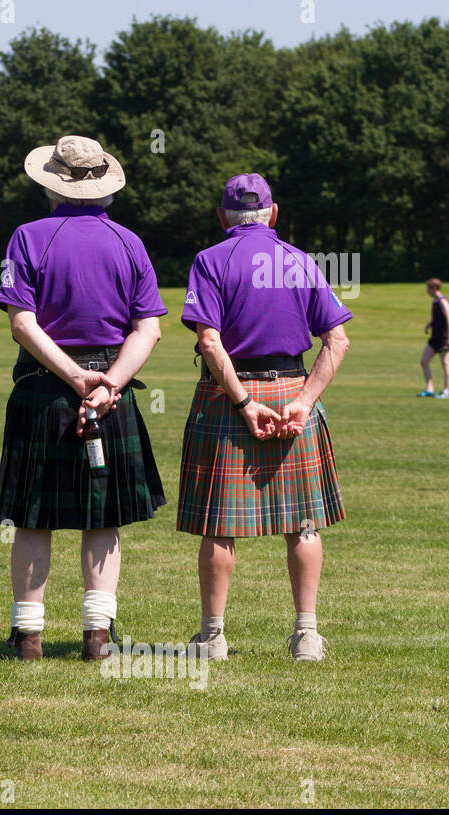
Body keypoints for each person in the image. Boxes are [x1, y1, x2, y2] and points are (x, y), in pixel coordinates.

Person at [0, 135, 166, 662]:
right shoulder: (131, 242)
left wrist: (72, 377)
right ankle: (97, 637)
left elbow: (22, 323)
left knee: (34, 515)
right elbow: (149, 330)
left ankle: (29, 638)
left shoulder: (26, 237)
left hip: (43, 389)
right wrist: (108, 382)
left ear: (53, 185)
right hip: (110, 394)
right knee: (102, 517)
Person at [177, 173, 352, 663]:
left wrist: (242, 402)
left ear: (221, 217)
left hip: (227, 395)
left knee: (219, 523)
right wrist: (306, 400)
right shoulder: (298, 261)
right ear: (273, 214)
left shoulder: (210, 261)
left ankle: (212, 638)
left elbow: (209, 342)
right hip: (293, 389)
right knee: (303, 521)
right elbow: (337, 340)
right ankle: (307, 636)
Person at [418, 277, 449, 398]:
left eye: (428, 288)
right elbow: (438, 318)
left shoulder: (443, 301)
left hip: (443, 338)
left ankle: (446, 391)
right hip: (435, 338)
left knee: (445, 363)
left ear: (434, 288)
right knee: (424, 361)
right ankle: (430, 389)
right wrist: (430, 324)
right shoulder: (435, 301)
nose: (427, 291)